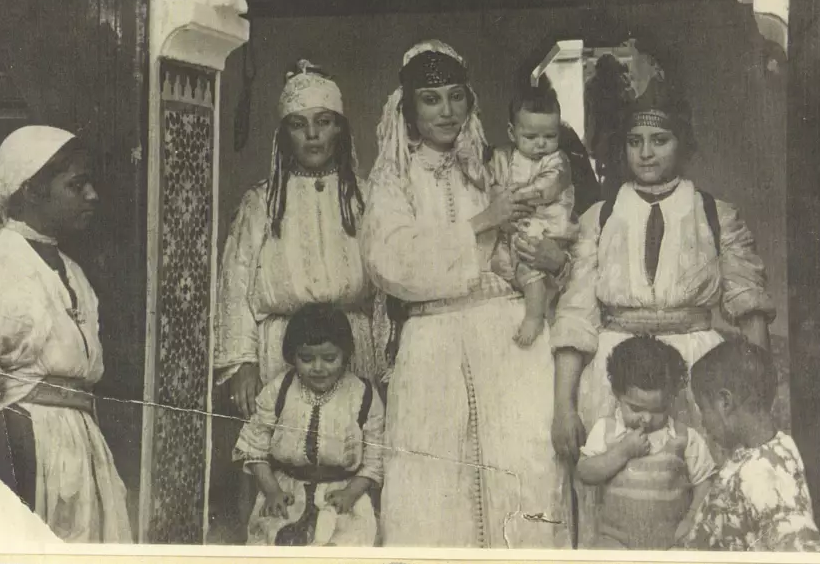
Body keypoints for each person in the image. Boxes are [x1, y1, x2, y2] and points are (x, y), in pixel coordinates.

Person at [514, 54, 777, 546]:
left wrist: (756, 400)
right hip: (614, 376)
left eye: (660, 140)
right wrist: (564, 406)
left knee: (696, 494)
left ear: (683, 143)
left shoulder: (715, 215)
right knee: (615, 502)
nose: (647, 153)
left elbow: (749, 304)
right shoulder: (600, 215)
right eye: (635, 142)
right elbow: (575, 316)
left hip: (694, 371)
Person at [360, 39, 566, 549]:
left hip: (510, 339)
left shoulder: (499, 166)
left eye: (456, 96)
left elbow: (550, 229)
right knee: (431, 484)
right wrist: (482, 222)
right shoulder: (393, 180)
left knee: (526, 467)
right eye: (431, 99)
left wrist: (554, 261)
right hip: (431, 342)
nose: (446, 111)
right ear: (408, 107)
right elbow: (390, 263)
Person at [0, 125, 133, 543]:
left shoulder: (72, 272)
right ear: (31, 192)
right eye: (76, 185)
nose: (92, 195)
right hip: (26, 454)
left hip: (79, 453)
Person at [213, 60, 386, 540]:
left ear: (340, 129)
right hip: (279, 348)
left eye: (323, 122)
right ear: (283, 134)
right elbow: (235, 286)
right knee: (273, 464)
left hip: (351, 345)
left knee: (353, 459)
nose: (312, 135)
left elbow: (386, 291)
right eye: (298, 124)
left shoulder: (368, 200)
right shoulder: (260, 203)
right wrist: (242, 361)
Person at [234, 304, 384, 547]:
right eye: (306, 359)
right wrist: (272, 491)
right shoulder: (279, 389)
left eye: (329, 358)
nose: (318, 368)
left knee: (345, 542)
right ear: (292, 356)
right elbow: (255, 447)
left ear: (345, 355)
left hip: (344, 496)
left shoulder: (363, 395)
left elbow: (375, 459)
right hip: (286, 493)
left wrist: (352, 493)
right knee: (275, 540)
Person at [680, 338, 820, 552]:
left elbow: (800, 548)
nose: (702, 421)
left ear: (725, 402)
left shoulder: (761, 475)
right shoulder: (777, 445)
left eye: (703, 409)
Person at [577, 336, 716, 550]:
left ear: (671, 398)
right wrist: (621, 453)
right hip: (615, 541)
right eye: (636, 408)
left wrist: (691, 517)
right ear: (617, 394)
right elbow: (585, 472)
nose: (647, 418)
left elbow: (705, 481)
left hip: (670, 541)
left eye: (658, 410)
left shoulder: (684, 437)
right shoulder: (608, 430)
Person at [489, 75, 576, 347]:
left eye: (549, 136)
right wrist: (496, 199)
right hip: (515, 228)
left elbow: (545, 189)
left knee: (530, 268)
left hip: (546, 226)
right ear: (512, 133)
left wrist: (512, 198)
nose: (540, 144)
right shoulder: (503, 158)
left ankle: (535, 317)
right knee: (498, 263)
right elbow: (491, 184)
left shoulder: (557, 160)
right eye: (531, 137)